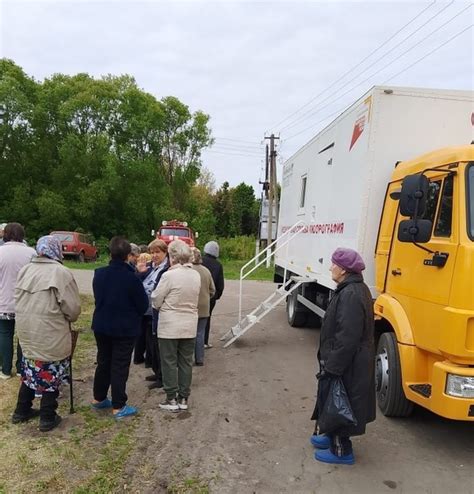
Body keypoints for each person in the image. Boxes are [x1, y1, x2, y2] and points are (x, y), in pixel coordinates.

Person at [310, 247, 375, 465]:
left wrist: (333, 367)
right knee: (335, 400)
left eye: (334, 264)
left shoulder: (351, 294)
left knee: (341, 403)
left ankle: (341, 451)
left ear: (344, 270)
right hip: (348, 361)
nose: (330, 267)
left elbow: (347, 337)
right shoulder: (352, 289)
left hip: (349, 364)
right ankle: (330, 437)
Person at [12, 235, 81, 431]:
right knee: (50, 372)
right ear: (56, 250)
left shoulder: (25, 269)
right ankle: (47, 417)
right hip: (50, 332)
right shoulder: (61, 273)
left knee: (29, 369)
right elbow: (73, 310)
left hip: (27, 331)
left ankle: (21, 410)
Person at [91, 236, 148, 419]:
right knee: (119, 365)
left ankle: (98, 398)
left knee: (104, 361)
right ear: (127, 256)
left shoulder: (99, 273)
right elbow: (142, 304)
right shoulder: (131, 278)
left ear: (110, 253)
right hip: (124, 328)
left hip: (101, 325)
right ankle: (118, 405)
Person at [151, 240, 200, 412]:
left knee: (169, 362)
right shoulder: (195, 275)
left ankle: (171, 398)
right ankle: (184, 397)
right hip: (189, 325)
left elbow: (156, 299)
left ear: (172, 256)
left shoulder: (168, 276)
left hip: (169, 325)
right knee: (186, 362)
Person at [0, 223, 36, 379]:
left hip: (4, 300)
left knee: (4, 334)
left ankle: (5, 370)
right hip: (26, 302)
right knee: (23, 336)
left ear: (5, 234)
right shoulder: (31, 253)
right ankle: (22, 368)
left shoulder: (0, 252)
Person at [137, 239, 169, 389]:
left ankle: (162, 376)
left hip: (158, 312)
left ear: (165, 252)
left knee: (157, 345)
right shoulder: (151, 267)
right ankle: (156, 371)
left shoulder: (167, 269)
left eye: (158, 252)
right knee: (150, 345)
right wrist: (141, 272)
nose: (154, 255)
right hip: (146, 311)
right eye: (152, 252)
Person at [191, 248, 215, 366]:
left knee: (189, 333)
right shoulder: (206, 271)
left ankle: (187, 358)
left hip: (190, 307)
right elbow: (213, 290)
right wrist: (206, 297)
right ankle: (199, 359)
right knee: (200, 333)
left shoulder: (188, 270)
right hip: (204, 307)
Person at [201, 241, 224, 348]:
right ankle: (204, 342)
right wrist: (215, 296)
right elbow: (220, 284)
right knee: (207, 318)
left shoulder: (199, 261)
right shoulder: (218, 265)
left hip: (196, 295)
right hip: (210, 297)